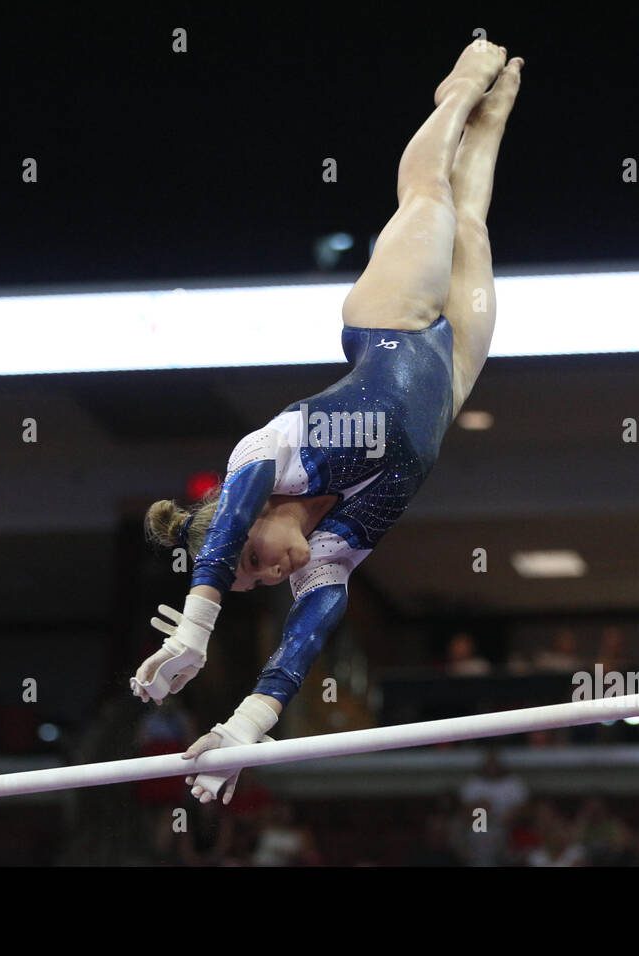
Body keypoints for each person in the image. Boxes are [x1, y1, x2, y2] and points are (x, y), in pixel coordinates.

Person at [132, 41, 525, 804]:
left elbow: (231, 523)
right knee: (470, 228)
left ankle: (459, 90)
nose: (274, 575)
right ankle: (497, 110)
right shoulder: (331, 557)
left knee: (428, 195)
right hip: (449, 379)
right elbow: (302, 644)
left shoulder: (271, 455)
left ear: (253, 518)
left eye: (254, 560)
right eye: (260, 581)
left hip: (392, 324)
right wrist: (248, 726)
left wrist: (196, 629)